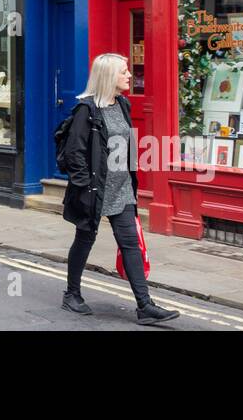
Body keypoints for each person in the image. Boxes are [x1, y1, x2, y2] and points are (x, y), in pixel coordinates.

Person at [59, 53, 178, 326]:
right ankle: (72, 294)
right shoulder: (86, 110)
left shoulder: (122, 104)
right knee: (84, 239)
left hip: (121, 187)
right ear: (109, 77)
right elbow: (73, 154)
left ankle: (145, 306)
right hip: (93, 190)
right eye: (124, 71)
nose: (129, 75)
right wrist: (85, 186)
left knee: (130, 244)